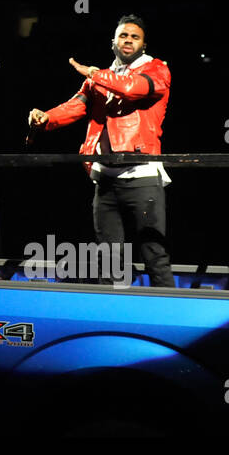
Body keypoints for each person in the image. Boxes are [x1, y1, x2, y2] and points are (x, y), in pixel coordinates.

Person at [28, 15, 174, 288]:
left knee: (154, 255)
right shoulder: (101, 77)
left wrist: (96, 74)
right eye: (123, 35)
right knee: (108, 259)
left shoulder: (157, 70)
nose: (128, 40)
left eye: (134, 36)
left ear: (143, 44)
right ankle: (111, 318)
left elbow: (133, 89)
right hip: (105, 178)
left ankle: (174, 325)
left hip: (142, 176)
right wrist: (46, 117)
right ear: (113, 42)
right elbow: (77, 105)